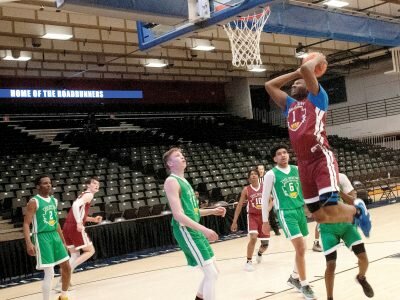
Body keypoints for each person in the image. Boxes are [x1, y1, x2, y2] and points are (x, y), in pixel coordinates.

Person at [264, 52, 371, 237]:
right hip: (303, 164)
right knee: (318, 215)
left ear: (310, 81)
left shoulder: (318, 98)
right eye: (293, 83)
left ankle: (358, 209)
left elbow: (306, 69)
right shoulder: (290, 105)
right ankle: (353, 214)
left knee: (330, 204)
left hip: (321, 157)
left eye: (298, 82)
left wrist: (318, 58)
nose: (293, 84)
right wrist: (296, 74)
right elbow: (269, 85)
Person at [163, 147, 226, 300]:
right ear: (170, 163)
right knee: (210, 274)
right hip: (185, 231)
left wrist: (212, 210)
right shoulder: (171, 181)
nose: (182, 157)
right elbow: (178, 215)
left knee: (214, 272)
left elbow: (193, 211)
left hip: (194, 230)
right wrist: (204, 229)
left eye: (182, 154)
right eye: (177, 156)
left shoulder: (184, 181)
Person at [261, 145, 316, 300]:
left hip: (299, 211)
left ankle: (294, 277)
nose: (283, 155)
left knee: (302, 249)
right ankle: (305, 285)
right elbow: (265, 199)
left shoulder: (296, 169)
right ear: (274, 158)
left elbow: (304, 190)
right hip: (285, 213)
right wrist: (265, 221)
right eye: (279, 154)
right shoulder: (271, 174)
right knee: (300, 248)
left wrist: (309, 207)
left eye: (285, 152)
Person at [320, 173, 374, 300]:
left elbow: (354, 202)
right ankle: (330, 297)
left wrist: (338, 192)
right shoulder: (316, 180)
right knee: (331, 265)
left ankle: (361, 278)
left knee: (364, 259)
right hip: (328, 228)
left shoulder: (341, 177)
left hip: (346, 225)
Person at [23, 175, 71, 300]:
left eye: (49, 183)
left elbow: (56, 223)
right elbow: (26, 224)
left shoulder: (54, 201)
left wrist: (63, 241)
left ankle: (63, 296)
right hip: (41, 237)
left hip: (54, 235)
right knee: (49, 272)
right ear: (38, 186)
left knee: (66, 266)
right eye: (45, 183)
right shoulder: (34, 201)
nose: (48, 185)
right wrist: (29, 243)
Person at [56, 177, 102, 290]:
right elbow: (75, 206)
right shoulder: (89, 195)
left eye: (98, 184)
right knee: (90, 250)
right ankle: (66, 271)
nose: (97, 185)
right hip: (74, 227)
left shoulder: (82, 195)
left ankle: (63, 282)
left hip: (67, 226)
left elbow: (79, 212)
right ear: (88, 185)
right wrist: (79, 223)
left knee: (75, 255)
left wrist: (93, 219)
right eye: (94, 183)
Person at [231, 169, 271, 271]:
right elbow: (240, 205)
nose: (253, 175)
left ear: (258, 176)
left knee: (265, 245)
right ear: (249, 178)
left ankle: (259, 253)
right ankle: (248, 262)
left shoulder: (264, 187)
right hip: (252, 216)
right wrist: (234, 221)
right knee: (253, 237)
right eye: (251, 174)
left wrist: (267, 210)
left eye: (255, 174)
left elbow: (271, 201)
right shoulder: (246, 190)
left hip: (264, 218)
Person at [257, 164, 281, 236]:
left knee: (271, 216)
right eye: (259, 169)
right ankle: (262, 232)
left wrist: (272, 197)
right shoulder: (256, 179)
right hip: (259, 199)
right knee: (260, 216)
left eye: (262, 169)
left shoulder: (267, 177)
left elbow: (272, 187)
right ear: (257, 170)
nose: (261, 170)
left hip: (268, 199)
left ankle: (276, 230)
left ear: (264, 170)